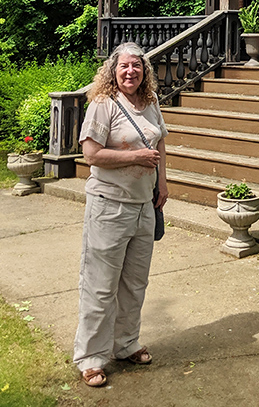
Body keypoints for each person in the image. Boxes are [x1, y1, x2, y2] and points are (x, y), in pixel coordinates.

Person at [73, 42, 168, 387]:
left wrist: (163, 184)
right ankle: (91, 357)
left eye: (137, 67)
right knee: (100, 285)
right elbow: (91, 154)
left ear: (145, 72)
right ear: (113, 70)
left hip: (145, 205)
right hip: (109, 207)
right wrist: (134, 159)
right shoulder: (103, 104)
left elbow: (159, 145)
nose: (131, 72)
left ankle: (126, 344)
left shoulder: (152, 102)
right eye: (124, 66)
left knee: (134, 283)